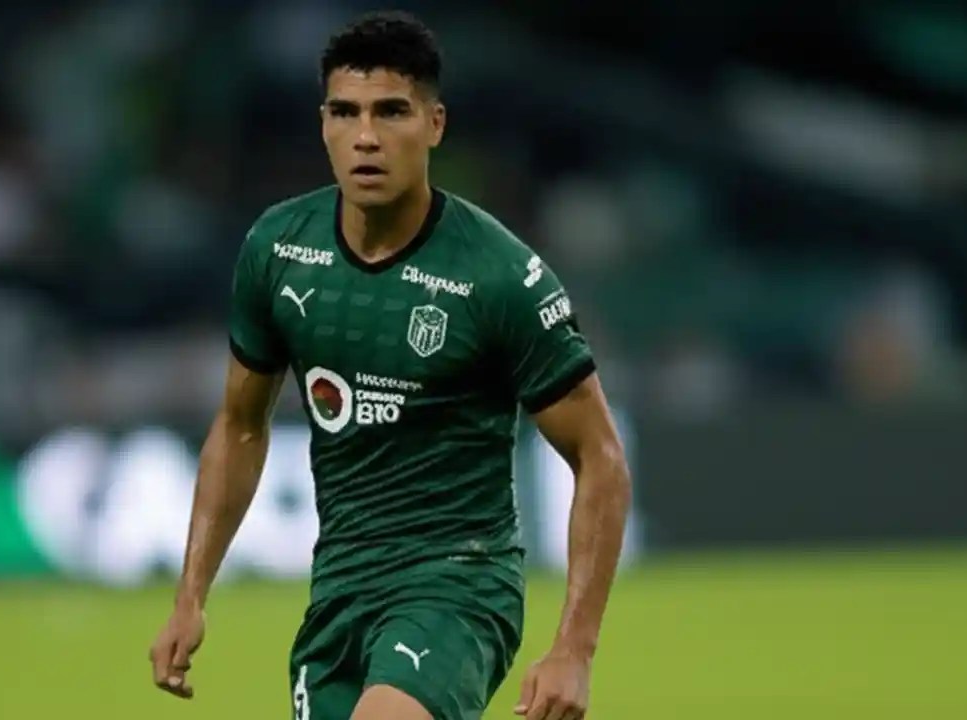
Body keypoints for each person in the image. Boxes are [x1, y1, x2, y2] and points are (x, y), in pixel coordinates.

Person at [149, 10, 632, 720]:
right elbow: (241, 426)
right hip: (339, 594)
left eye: (391, 112)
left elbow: (600, 457)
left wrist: (574, 649)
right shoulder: (280, 249)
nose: (366, 137)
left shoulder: (498, 277)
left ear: (434, 124)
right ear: (323, 124)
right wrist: (190, 596)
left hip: (458, 587)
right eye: (345, 112)